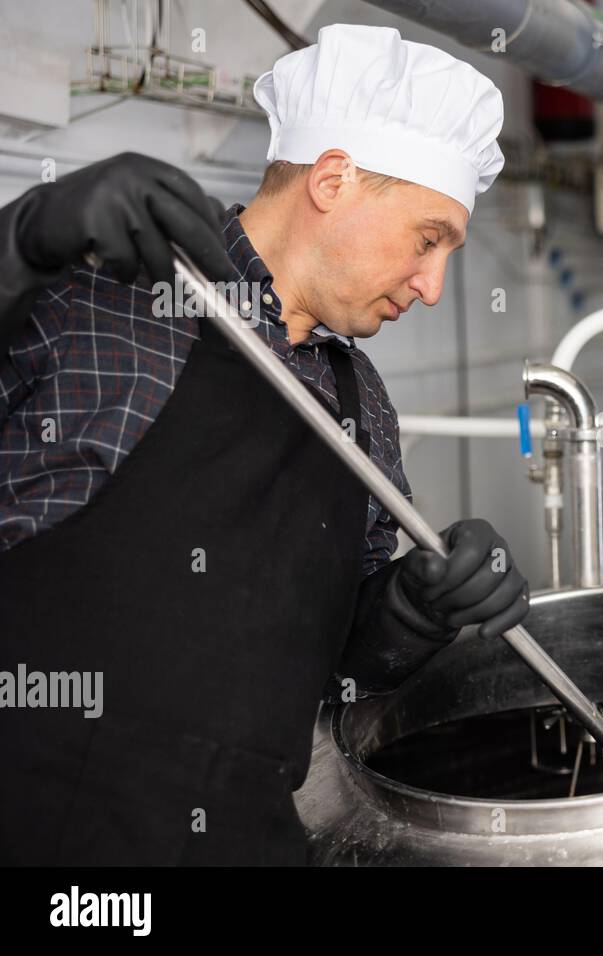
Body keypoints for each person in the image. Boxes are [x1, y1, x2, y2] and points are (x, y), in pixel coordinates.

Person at [0, 23, 527, 865]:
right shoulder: (95, 298)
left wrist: (411, 610)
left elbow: (329, 672)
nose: (432, 286)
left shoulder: (363, 403)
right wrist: (17, 244)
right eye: (428, 240)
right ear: (333, 179)